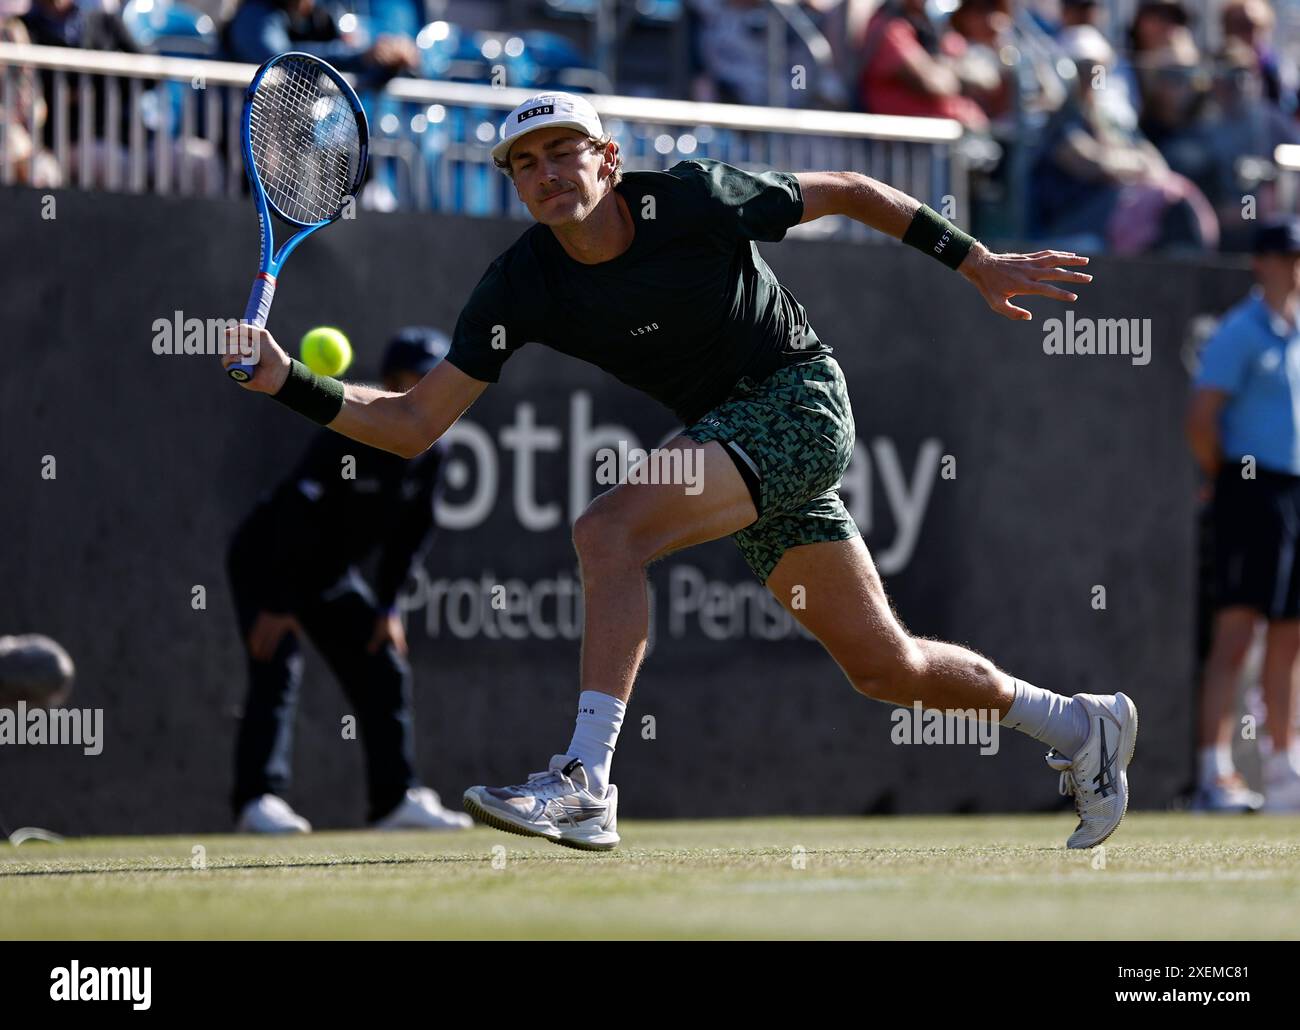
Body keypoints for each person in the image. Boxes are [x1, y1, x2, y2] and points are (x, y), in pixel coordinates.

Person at [223, 91, 1136, 853]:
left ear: (608, 160)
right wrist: (289, 381)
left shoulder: (697, 198)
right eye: (525, 163)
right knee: (886, 668)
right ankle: (1076, 723)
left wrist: (975, 262)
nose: (546, 173)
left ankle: (586, 780)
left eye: (562, 153)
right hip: (733, 435)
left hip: (798, 399)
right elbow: (416, 421)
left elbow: (854, 191)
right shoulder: (520, 285)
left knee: (607, 530)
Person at [225, 328, 470, 833]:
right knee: (278, 664)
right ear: (389, 381)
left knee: (382, 666)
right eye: (416, 377)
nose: (427, 387)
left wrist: (387, 609)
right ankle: (257, 801)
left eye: (435, 377)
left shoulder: (434, 452)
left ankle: (394, 802)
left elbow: (411, 538)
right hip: (268, 560)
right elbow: (297, 515)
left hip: (328, 573)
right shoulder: (349, 435)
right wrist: (279, 600)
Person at [1185, 217, 1300, 813]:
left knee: (1289, 634)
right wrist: (1226, 482)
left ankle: (1283, 768)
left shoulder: (1298, 332)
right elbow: (1202, 422)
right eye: (1288, 257)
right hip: (1248, 492)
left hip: (1294, 494)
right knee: (1236, 633)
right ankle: (1214, 772)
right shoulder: (1239, 331)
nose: (1297, 268)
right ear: (1262, 263)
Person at [221, 0, 417, 75]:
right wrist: (362, 57)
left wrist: (388, 60)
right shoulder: (253, 15)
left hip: (311, 147)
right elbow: (282, 60)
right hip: (248, 150)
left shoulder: (325, 15)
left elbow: (358, 57)